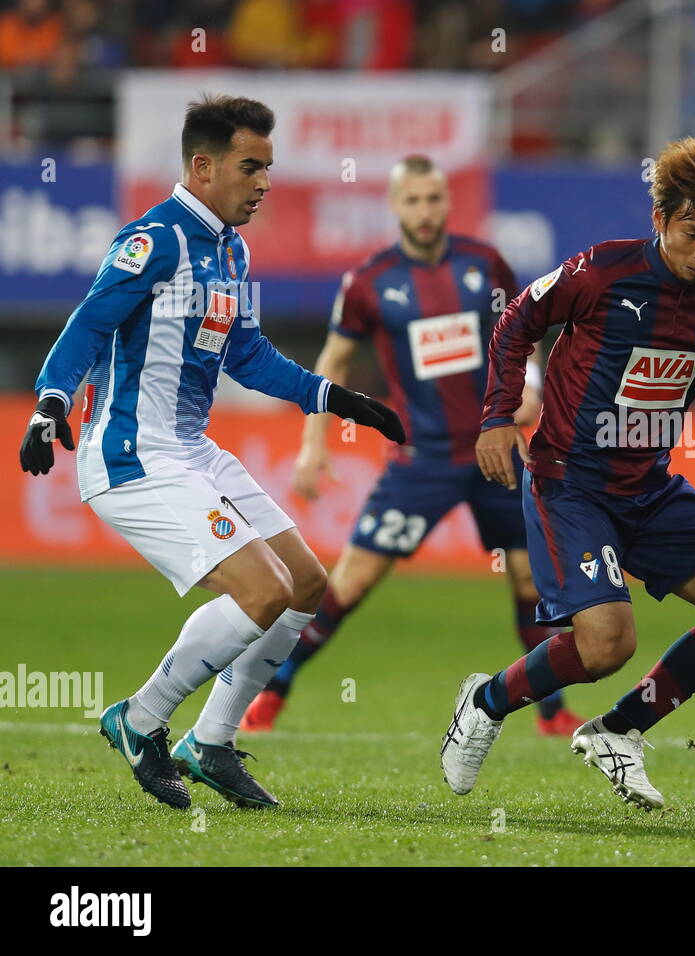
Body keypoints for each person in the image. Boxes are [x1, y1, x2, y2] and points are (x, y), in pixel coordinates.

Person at [17, 94, 404, 810]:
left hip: (193, 450)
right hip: (134, 455)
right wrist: (50, 403)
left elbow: (246, 355)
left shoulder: (231, 248)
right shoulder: (153, 239)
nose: (263, 182)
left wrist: (333, 397)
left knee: (306, 584)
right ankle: (139, 719)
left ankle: (211, 743)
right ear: (202, 166)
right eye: (249, 166)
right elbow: (89, 324)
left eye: (269, 168)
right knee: (260, 592)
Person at [440, 137, 695, 810]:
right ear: (661, 220)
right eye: (693, 233)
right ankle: (484, 702)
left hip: (650, 488)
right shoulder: (601, 272)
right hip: (570, 483)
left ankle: (620, 730)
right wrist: (497, 417)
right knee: (605, 646)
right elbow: (516, 325)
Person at [240, 154, 583, 736]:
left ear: (447, 203)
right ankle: (273, 690)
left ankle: (551, 712)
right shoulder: (369, 283)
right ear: (395, 206)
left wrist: (532, 392)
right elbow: (334, 360)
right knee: (350, 582)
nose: (425, 211)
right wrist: (312, 444)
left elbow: (525, 335)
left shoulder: (486, 265)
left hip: (495, 449)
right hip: (420, 461)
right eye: (413, 200)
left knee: (531, 579)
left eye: (434, 198)